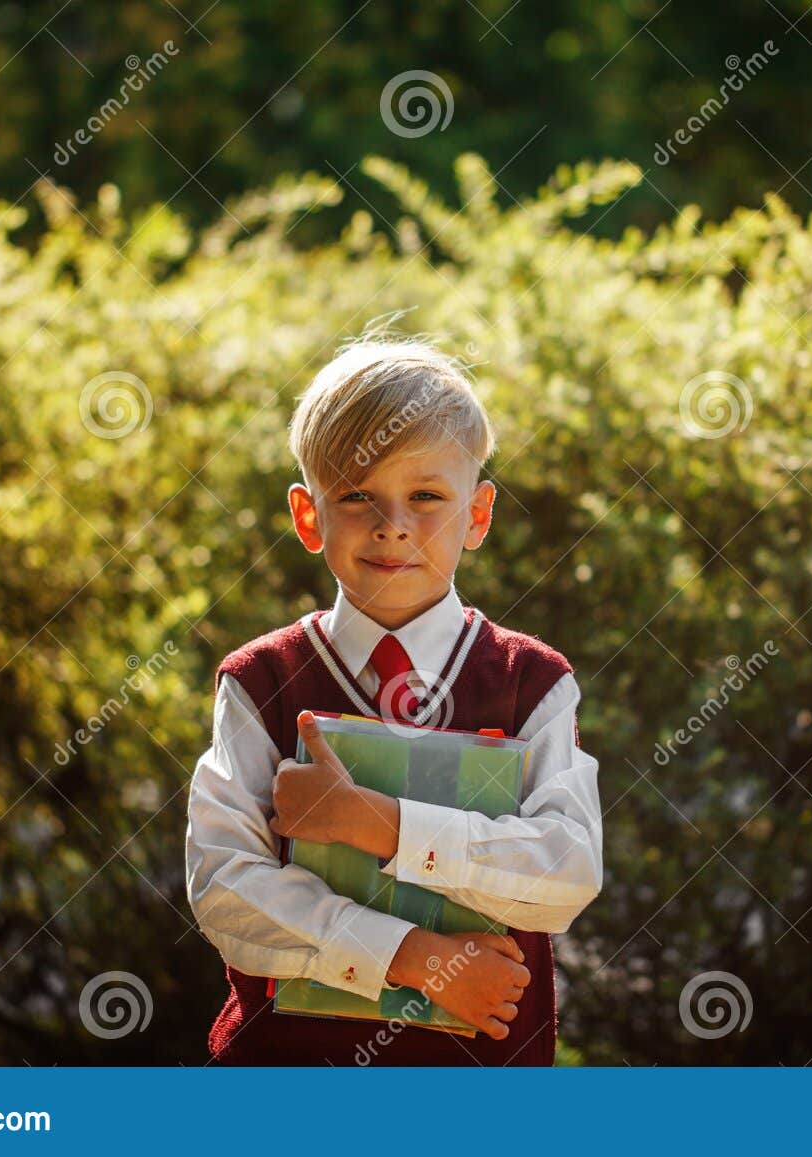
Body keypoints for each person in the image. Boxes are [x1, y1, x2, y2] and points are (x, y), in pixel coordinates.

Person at [185, 334, 603, 1064]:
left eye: (426, 496)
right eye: (356, 496)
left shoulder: (531, 683)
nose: (392, 525)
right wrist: (411, 956)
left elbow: (565, 873)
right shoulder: (259, 681)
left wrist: (381, 825)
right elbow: (225, 888)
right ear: (308, 516)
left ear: (477, 514)